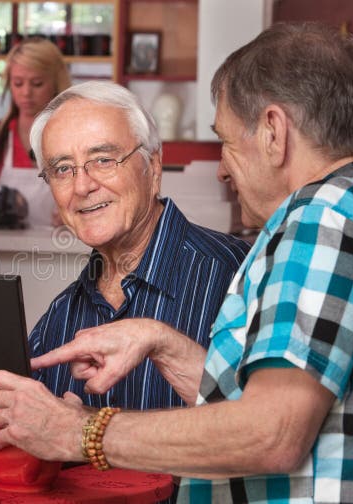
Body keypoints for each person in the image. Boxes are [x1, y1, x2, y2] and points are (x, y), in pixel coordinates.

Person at [0, 22, 353, 503]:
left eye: (226, 141)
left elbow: (271, 433)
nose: (221, 168)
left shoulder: (326, 219)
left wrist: (79, 430)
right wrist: (164, 343)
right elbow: (268, 407)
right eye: (62, 169)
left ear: (274, 132)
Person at [27, 80, 250, 411]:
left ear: (153, 166)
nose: (82, 186)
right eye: (62, 169)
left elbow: (265, 426)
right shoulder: (59, 317)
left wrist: (88, 430)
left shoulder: (235, 275)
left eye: (103, 160)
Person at [0, 37, 71, 228]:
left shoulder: (76, 139)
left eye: (37, 83)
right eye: (18, 83)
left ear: (56, 83)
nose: (26, 93)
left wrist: (78, 214)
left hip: (63, 244)